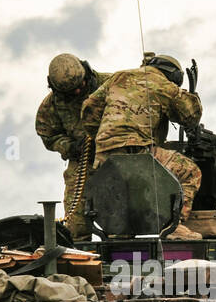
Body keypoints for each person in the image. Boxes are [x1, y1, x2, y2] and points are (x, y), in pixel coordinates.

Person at [79, 53, 204, 239]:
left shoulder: (119, 77)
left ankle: (118, 234)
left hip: (104, 155)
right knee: (189, 171)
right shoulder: (165, 85)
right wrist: (192, 96)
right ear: (174, 75)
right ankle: (174, 227)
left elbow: (88, 110)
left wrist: (103, 137)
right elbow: (191, 116)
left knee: (123, 189)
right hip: (137, 153)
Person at [35, 53, 109, 238]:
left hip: (116, 159)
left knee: (118, 216)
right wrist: (71, 147)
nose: (77, 93)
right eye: (70, 92)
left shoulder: (111, 85)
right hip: (82, 162)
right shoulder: (51, 105)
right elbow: (49, 136)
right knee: (75, 224)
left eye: (80, 87)